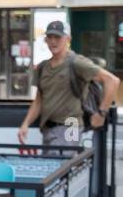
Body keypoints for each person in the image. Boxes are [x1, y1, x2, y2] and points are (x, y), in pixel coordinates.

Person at [18, 20, 119, 151]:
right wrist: (25, 124)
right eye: (50, 37)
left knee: (60, 168)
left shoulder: (77, 63)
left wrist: (102, 113)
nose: (53, 41)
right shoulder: (42, 67)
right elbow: (39, 100)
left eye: (57, 37)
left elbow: (112, 81)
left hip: (71, 125)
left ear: (68, 39)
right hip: (48, 129)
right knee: (54, 168)